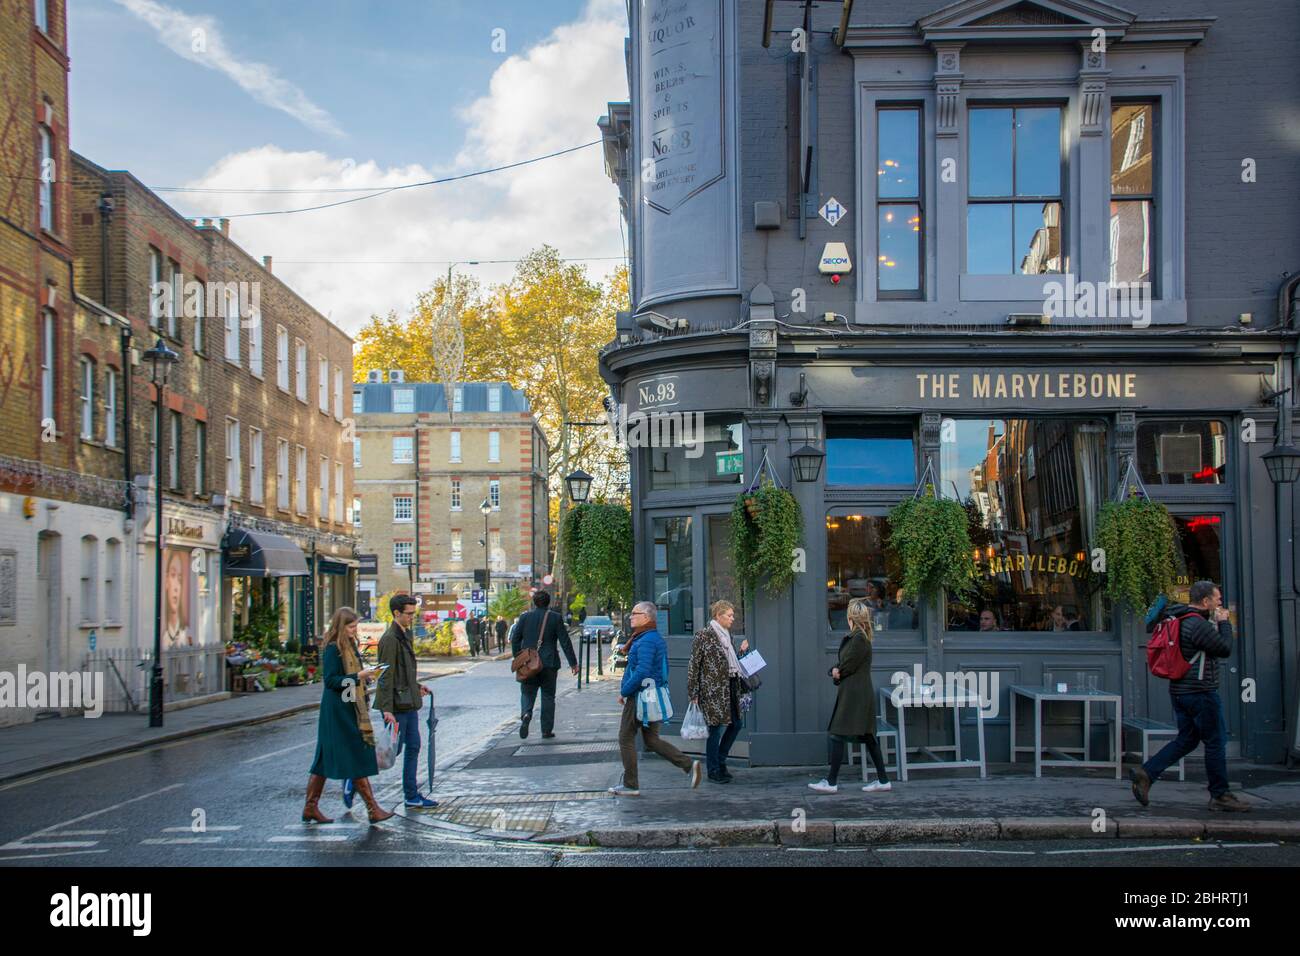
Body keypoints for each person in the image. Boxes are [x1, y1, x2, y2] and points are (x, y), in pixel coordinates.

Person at [1130, 580, 1249, 812]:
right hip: (1200, 692)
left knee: (1187, 739)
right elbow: (1224, 649)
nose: (1220, 602)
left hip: (1180, 691)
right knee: (1215, 742)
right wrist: (1224, 623)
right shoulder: (1197, 625)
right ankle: (1220, 795)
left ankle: (1147, 773)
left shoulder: (1178, 619)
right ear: (1205, 601)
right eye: (1217, 599)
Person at [303, 607, 394, 825]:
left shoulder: (350, 646)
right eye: (351, 626)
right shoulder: (333, 649)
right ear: (340, 626)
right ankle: (373, 809)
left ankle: (310, 807)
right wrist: (357, 676)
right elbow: (331, 681)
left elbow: (351, 677)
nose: (355, 630)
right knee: (356, 756)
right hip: (338, 711)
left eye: (356, 626)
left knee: (323, 761)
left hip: (348, 705)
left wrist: (366, 677)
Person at [610, 601, 702, 795]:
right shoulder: (647, 637)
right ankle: (687, 764)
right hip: (650, 695)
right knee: (651, 740)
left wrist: (625, 692)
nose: (631, 616)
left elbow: (642, 670)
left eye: (635, 613)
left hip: (640, 697)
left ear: (647, 617)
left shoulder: (647, 640)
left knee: (625, 738)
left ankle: (630, 784)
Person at [809, 599, 891, 794]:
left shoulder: (859, 639)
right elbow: (845, 664)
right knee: (868, 737)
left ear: (850, 618)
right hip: (856, 692)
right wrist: (836, 670)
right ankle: (883, 780)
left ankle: (831, 783)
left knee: (838, 733)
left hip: (855, 694)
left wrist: (837, 671)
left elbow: (847, 664)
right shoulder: (860, 637)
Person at [374, 594, 437, 810]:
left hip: (408, 702)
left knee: (414, 746)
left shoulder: (405, 634)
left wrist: (416, 686)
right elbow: (384, 675)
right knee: (392, 751)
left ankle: (411, 795)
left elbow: (404, 671)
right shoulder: (390, 639)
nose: (412, 617)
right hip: (396, 707)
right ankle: (355, 778)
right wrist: (386, 709)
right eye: (408, 614)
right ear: (396, 613)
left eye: (413, 613)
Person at [687, 600, 749, 783]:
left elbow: (730, 662)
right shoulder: (703, 636)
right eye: (729, 615)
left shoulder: (728, 636)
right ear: (718, 616)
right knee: (714, 729)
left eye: (732, 615)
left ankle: (721, 762)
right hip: (713, 689)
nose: (732, 618)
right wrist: (694, 692)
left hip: (731, 686)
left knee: (736, 724)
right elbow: (694, 665)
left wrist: (741, 652)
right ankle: (713, 769)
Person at [511, 590, 578, 739]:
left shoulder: (525, 617)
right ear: (549, 603)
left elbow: (515, 639)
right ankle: (546, 730)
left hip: (528, 663)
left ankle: (527, 713)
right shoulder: (555, 618)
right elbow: (565, 641)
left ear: (534, 603)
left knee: (527, 691)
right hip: (549, 663)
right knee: (548, 696)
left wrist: (518, 657)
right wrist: (573, 663)